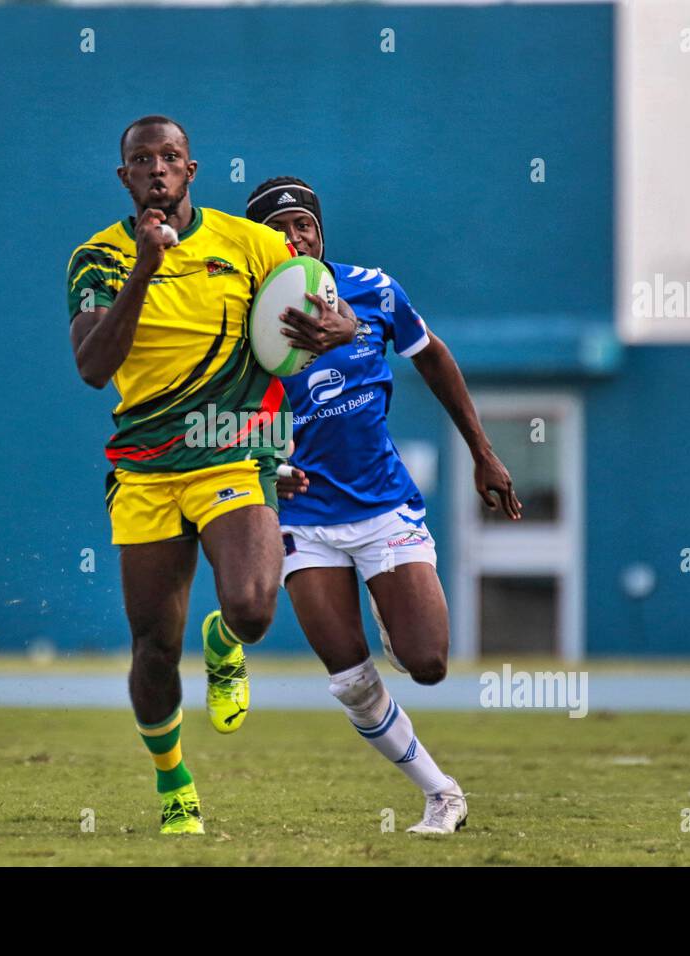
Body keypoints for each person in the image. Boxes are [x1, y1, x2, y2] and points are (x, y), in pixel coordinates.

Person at [65, 120, 345, 834]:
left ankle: (224, 641)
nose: (155, 170)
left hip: (230, 449)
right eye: (140, 161)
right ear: (123, 177)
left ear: (191, 169)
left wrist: (336, 329)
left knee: (252, 609)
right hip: (147, 467)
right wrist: (145, 270)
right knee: (155, 647)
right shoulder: (96, 259)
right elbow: (94, 368)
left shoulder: (250, 244)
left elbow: (324, 301)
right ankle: (173, 782)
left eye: (168, 159)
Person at [245, 176, 522, 833]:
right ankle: (440, 793)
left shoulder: (372, 288)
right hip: (305, 519)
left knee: (427, 664)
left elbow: (433, 358)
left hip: (382, 508)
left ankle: (388, 597)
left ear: (319, 231)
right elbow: (217, 412)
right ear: (260, 241)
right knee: (350, 681)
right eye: (278, 229)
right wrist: (262, 468)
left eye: (304, 225)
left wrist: (484, 452)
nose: (294, 237)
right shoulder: (242, 317)